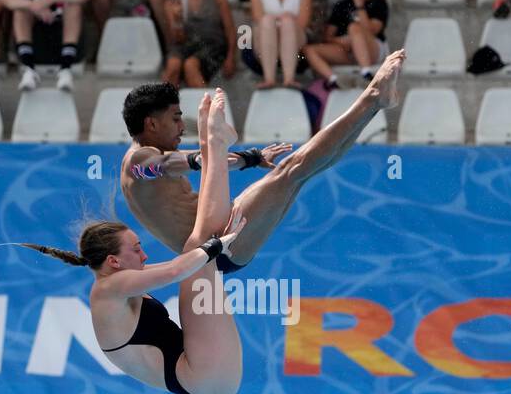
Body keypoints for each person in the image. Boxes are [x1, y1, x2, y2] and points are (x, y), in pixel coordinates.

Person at [29, 90, 246, 394]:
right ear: (114, 261)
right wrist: (217, 246)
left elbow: (173, 264)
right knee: (197, 245)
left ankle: (214, 142)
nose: (144, 255)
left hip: (205, 377)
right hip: (204, 375)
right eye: (135, 249)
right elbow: (174, 269)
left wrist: (248, 160)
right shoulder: (111, 288)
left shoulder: (115, 283)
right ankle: (212, 140)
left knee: (196, 251)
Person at [117, 50, 404, 286]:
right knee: (291, 170)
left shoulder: (154, 155)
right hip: (218, 248)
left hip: (221, 232)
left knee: (300, 174)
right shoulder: (138, 163)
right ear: (151, 124)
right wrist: (200, 158)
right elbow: (164, 166)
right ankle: (372, 96)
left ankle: (375, 106)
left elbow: (193, 160)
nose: (181, 127)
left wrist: (251, 158)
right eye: (175, 118)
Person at [303, 0, 389, 89]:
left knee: (354, 27)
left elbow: (373, 31)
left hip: (373, 48)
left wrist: (359, 5)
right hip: (347, 50)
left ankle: (366, 74)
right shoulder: (341, 5)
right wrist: (344, 41)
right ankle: (334, 80)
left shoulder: (379, 3)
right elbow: (328, 37)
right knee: (309, 50)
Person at [162, 0, 236, 87]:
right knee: (173, 65)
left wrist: (231, 57)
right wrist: (177, 21)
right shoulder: (171, 3)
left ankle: (204, 107)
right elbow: (177, 40)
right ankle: (167, 106)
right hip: (186, 45)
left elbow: (230, 28)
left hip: (213, 45)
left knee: (191, 64)